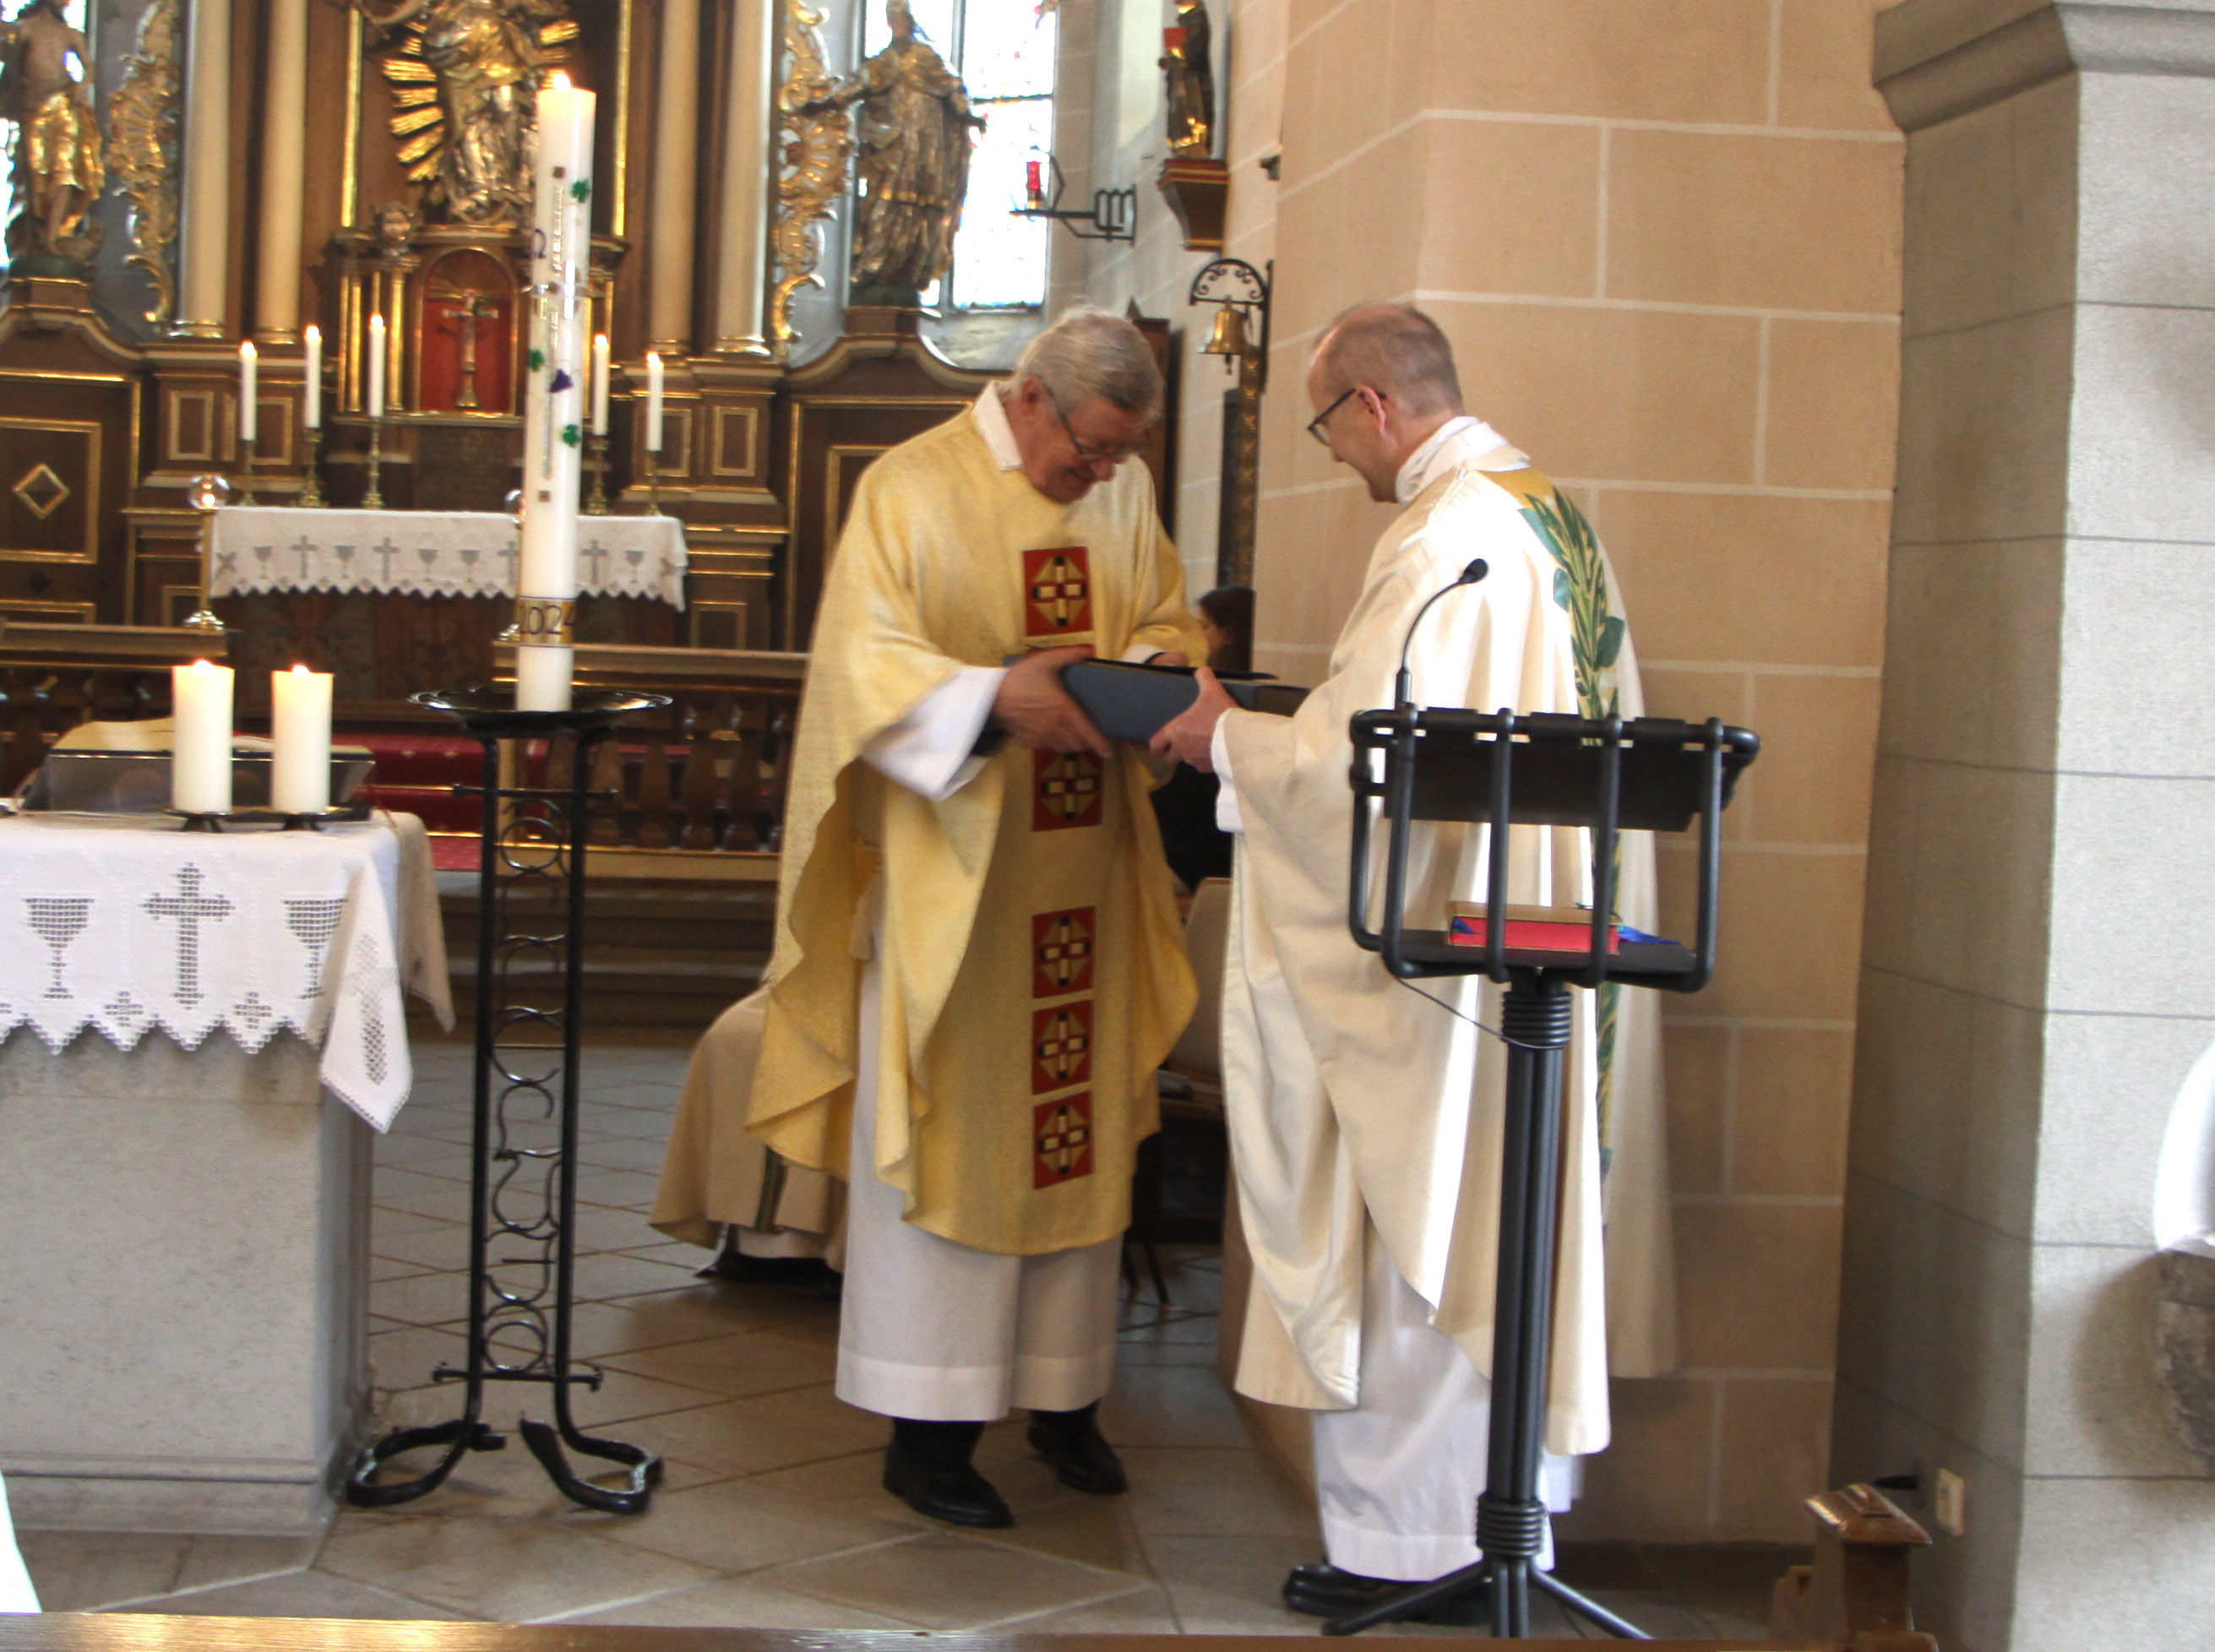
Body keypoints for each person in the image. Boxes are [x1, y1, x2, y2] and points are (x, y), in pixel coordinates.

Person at [1151, 304, 1674, 1618]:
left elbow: (1356, 772)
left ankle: (1413, 1544)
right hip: (1547, 935)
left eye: (1328, 424)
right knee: (1509, 1208)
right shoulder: (1548, 514)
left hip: (1452, 965)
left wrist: (1221, 736)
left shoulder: (1443, 534)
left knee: (1421, 1214)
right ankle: (1506, 1525)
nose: (1335, 454)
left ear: (1372, 407)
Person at [743, 307, 1204, 1529]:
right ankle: (928, 1428)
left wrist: (1143, 672)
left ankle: (1064, 1398)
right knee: (959, 1127)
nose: (1100, 474)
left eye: (1119, 456)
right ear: (1035, 397)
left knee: (1079, 1126)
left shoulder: (1121, 489)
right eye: (1090, 448)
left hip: (1085, 876)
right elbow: (859, 669)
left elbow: (1167, 617)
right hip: (960, 881)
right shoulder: (911, 487)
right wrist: (997, 696)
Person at [1149, 585, 1249, 890]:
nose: (1198, 638)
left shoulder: (1213, 694)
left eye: (1204, 626)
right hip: (1218, 854)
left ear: (1229, 634)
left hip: (1196, 858)